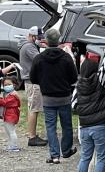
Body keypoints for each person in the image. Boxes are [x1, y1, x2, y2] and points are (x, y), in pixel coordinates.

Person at [73, 25, 105, 172]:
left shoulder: (78, 86)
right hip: (99, 126)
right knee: (101, 157)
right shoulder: (99, 80)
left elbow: (73, 105)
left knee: (85, 157)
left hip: (84, 127)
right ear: (94, 70)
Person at [33, 28, 78, 164]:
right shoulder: (66, 58)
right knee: (66, 125)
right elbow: (73, 77)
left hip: (48, 97)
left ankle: (54, 155)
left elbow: (33, 78)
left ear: (46, 41)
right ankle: (66, 150)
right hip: (64, 96)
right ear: (59, 40)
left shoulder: (39, 58)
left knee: (51, 126)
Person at [19, 27, 46, 147]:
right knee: (34, 109)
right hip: (33, 82)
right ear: (32, 36)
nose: (39, 41)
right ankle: (32, 136)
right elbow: (40, 60)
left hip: (30, 81)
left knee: (33, 108)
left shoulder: (26, 46)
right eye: (38, 38)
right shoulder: (29, 47)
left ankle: (32, 134)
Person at [0, 77, 21, 152]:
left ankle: (14, 146)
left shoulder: (13, 95)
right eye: (5, 85)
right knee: (8, 131)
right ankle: (11, 144)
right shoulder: (8, 94)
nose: (7, 86)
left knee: (11, 131)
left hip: (11, 115)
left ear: (14, 85)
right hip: (8, 115)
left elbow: (5, 102)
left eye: (9, 84)